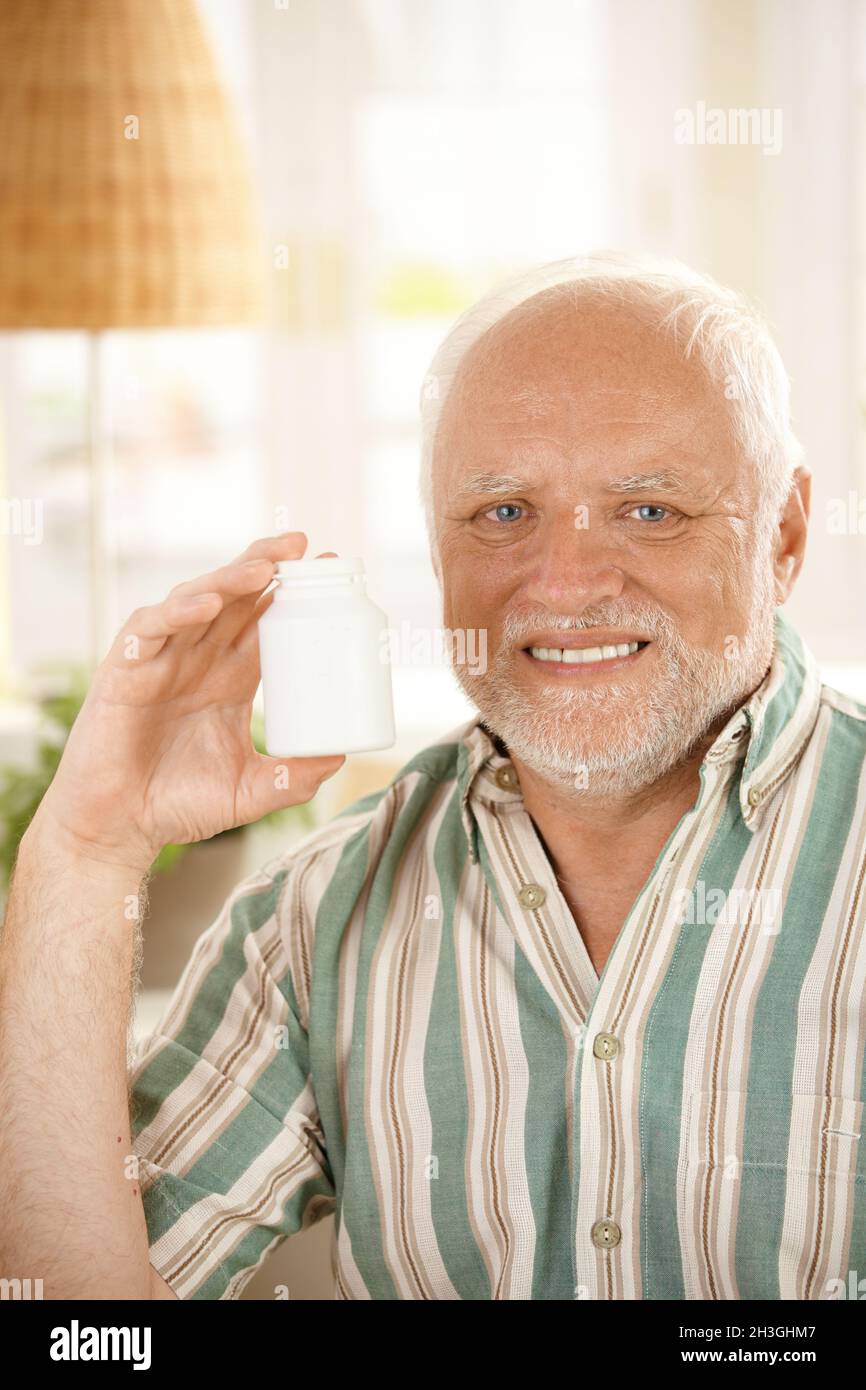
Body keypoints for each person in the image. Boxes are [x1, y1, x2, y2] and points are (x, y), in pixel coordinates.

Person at [2, 251, 865, 1302]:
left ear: (781, 533)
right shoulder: (313, 921)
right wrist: (87, 849)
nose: (565, 582)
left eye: (649, 509)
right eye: (502, 511)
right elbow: (76, 1330)